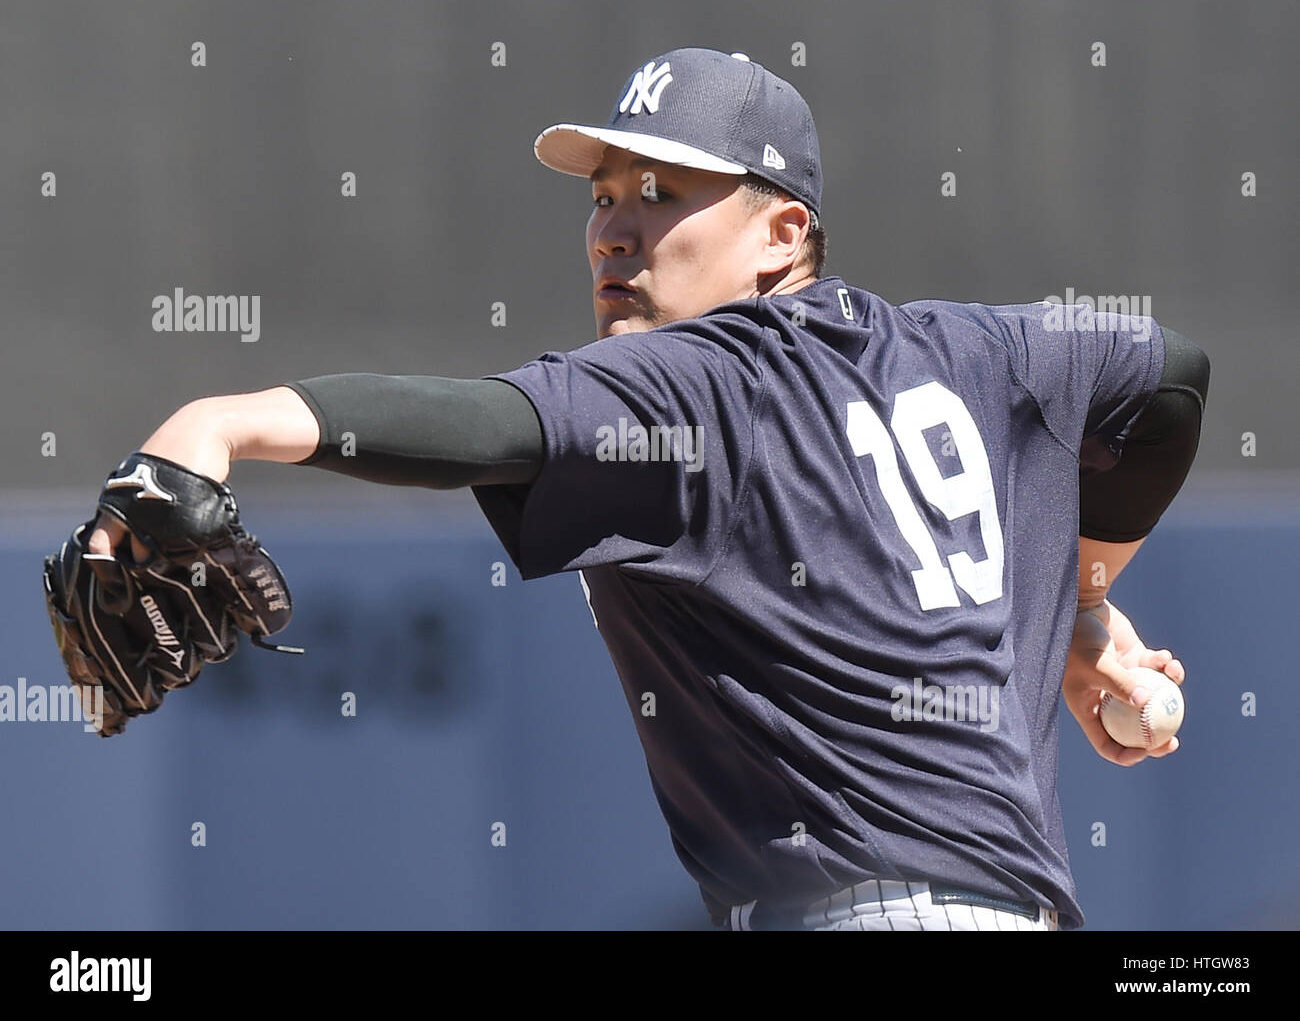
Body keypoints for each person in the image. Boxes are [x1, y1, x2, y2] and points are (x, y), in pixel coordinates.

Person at [87, 47, 1209, 930]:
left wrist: (219, 423)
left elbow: (477, 423)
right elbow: (1166, 376)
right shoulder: (977, 350)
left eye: (662, 192)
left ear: (782, 234)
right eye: (604, 194)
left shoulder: (702, 376)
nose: (613, 229)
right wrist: (1084, 596)